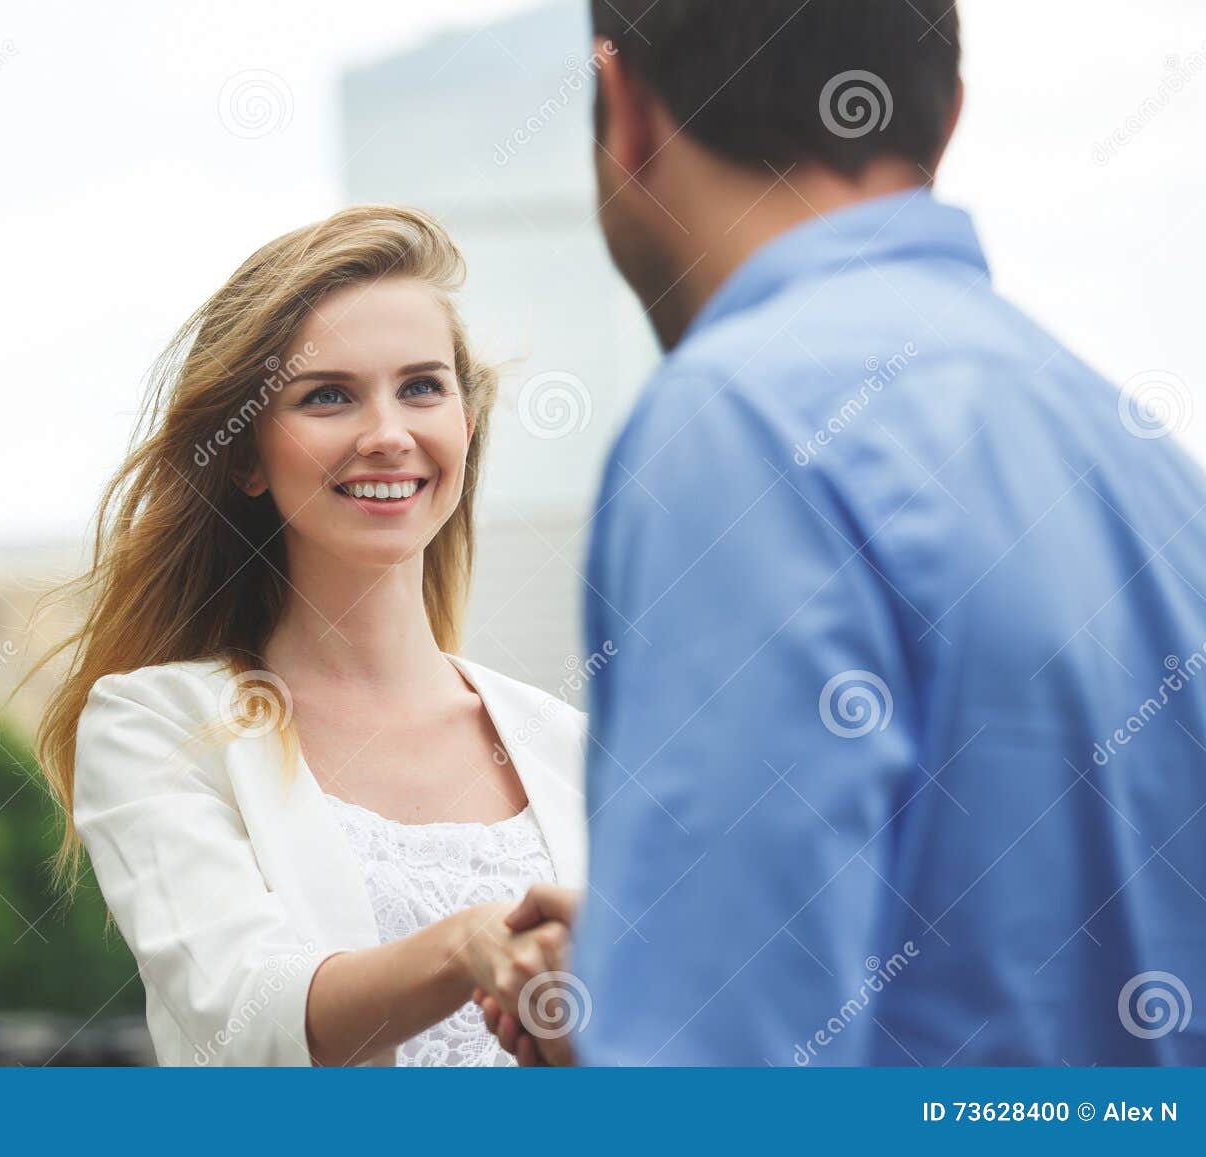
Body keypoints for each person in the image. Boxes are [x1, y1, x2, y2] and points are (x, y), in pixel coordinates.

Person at [484, 0, 1206, 1065]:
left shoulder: (735, 420)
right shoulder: (1141, 455)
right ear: (946, 117)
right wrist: (655, 955)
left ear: (626, 108)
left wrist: (634, 1034)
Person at [33, 205, 588, 1066]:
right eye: (328, 395)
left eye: (422, 386)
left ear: (466, 426)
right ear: (246, 456)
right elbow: (245, 1019)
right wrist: (465, 946)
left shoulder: (573, 746)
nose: (388, 434)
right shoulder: (157, 727)